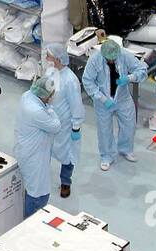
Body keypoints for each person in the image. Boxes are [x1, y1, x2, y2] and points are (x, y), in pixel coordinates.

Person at [82, 36, 149, 170]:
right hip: (103, 101)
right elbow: (87, 81)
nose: (112, 61)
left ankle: (126, 149)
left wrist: (130, 77)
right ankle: (106, 156)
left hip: (123, 98)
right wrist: (101, 98)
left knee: (129, 124)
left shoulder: (123, 55)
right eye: (109, 59)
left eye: (114, 58)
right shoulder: (95, 60)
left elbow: (142, 69)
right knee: (104, 130)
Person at [14, 77, 61, 217]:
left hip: (28, 148)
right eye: (51, 94)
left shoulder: (27, 96)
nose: (52, 97)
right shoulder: (35, 110)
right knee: (37, 192)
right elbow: (56, 126)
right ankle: (30, 221)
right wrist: (51, 110)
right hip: (34, 155)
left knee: (32, 186)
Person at [44, 44, 84, 198]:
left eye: (49, 56)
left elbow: (76, 105)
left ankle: (65, 182)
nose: (47, 58)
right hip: (48, 120)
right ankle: (41, 177)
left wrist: (76, 126)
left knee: (67, 154)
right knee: (44, 149)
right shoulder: (50, 72)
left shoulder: (71, 80)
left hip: (65, 124)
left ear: (58, 59)